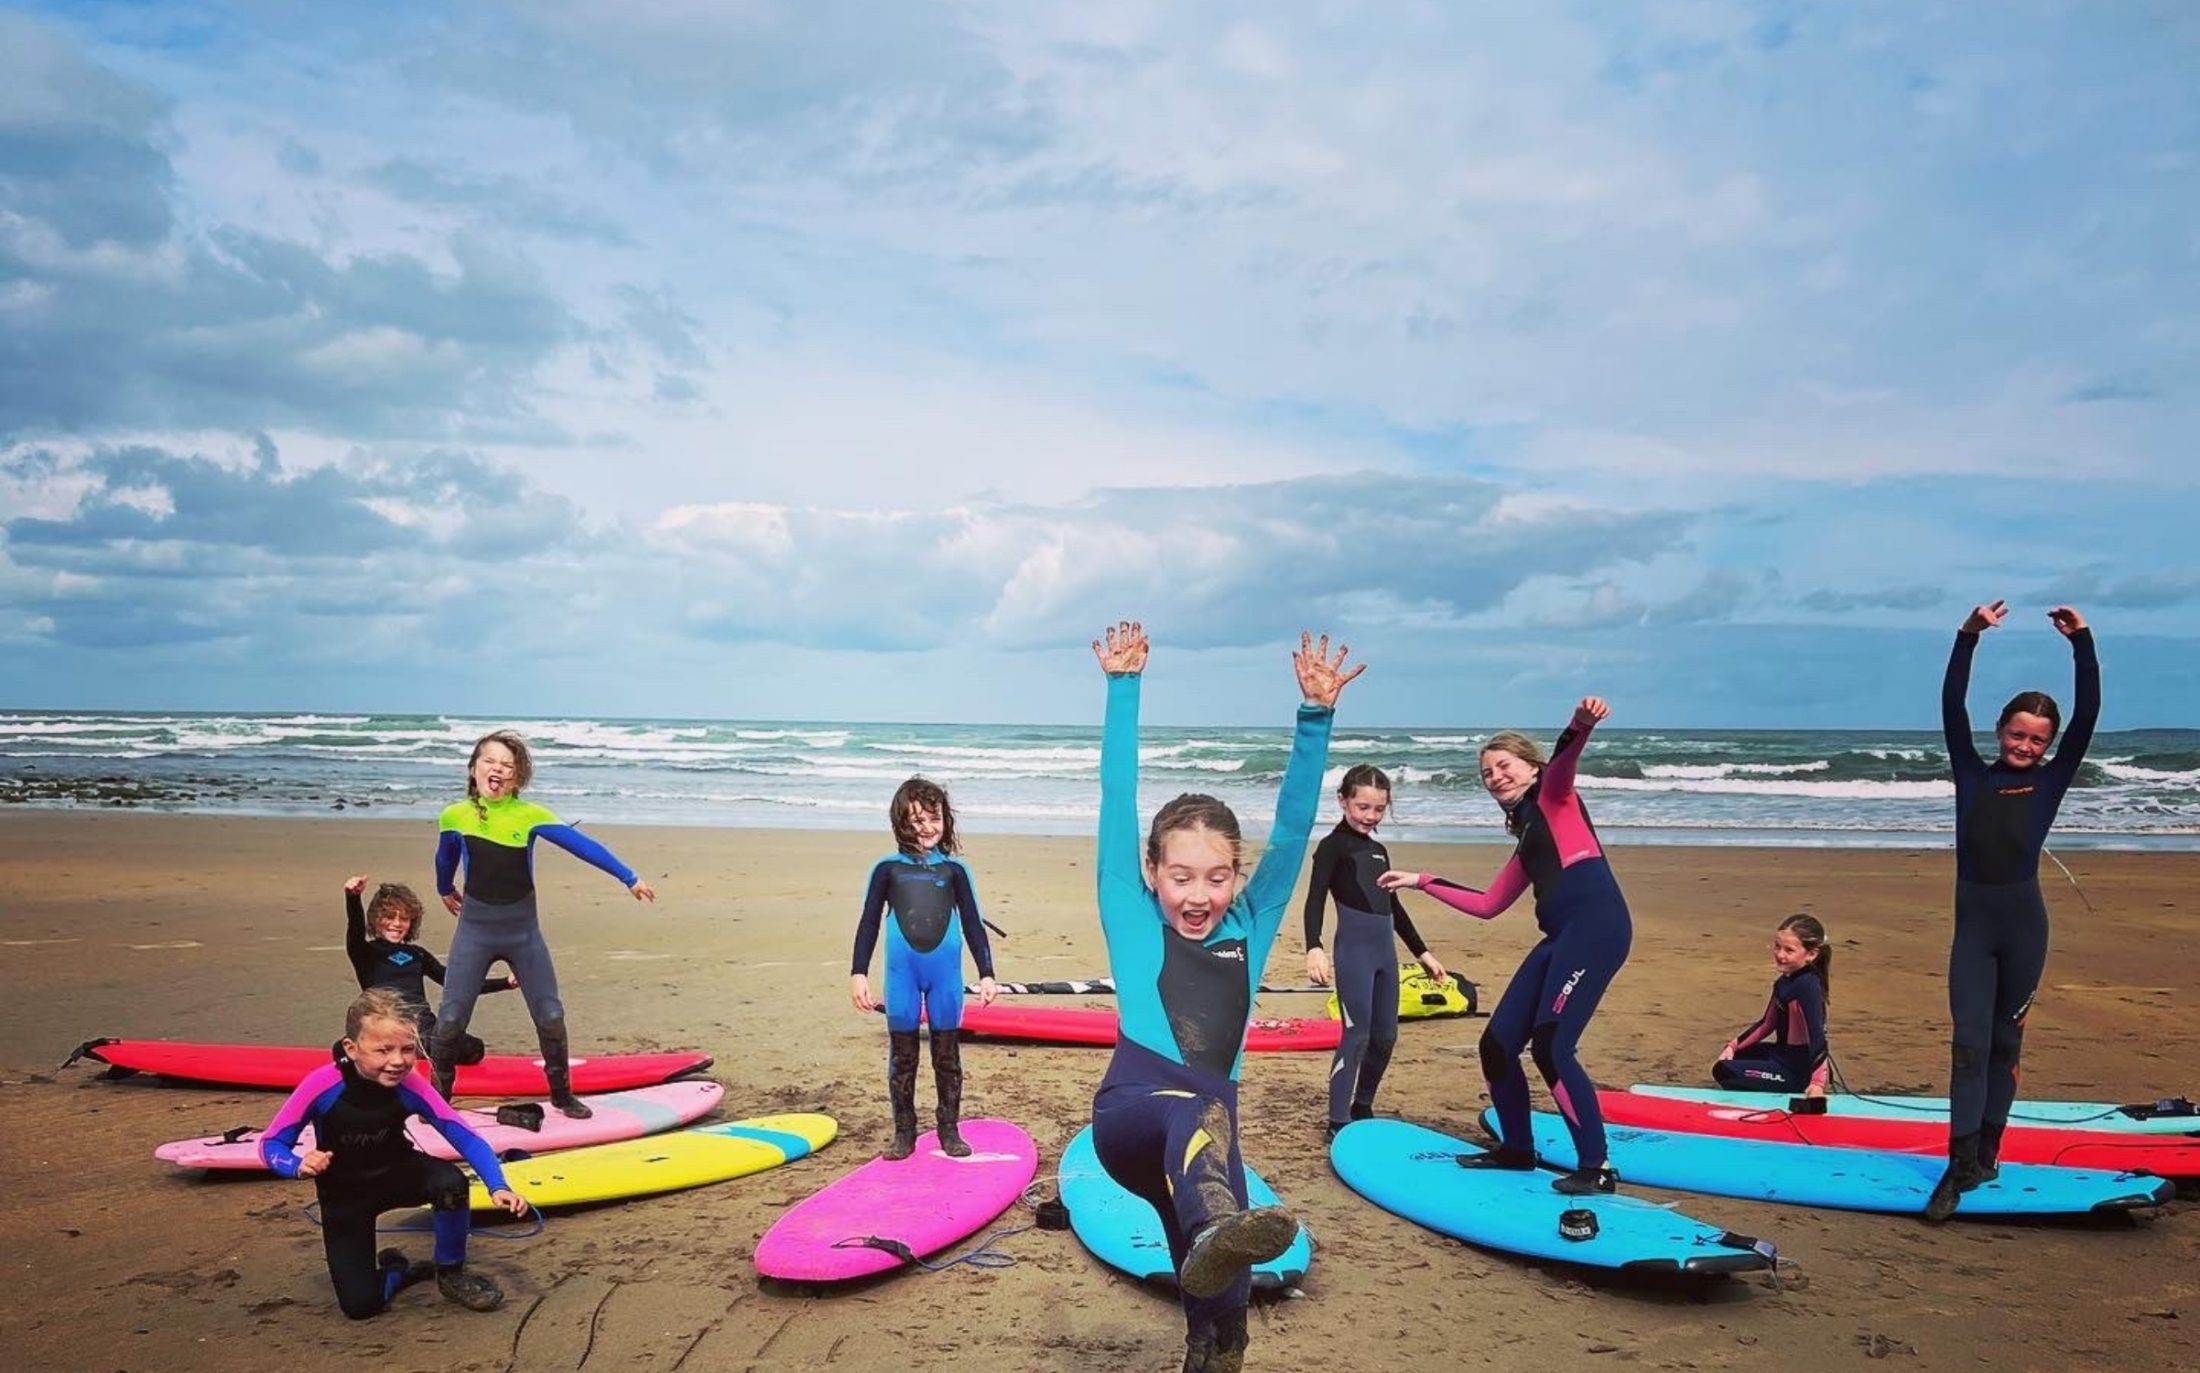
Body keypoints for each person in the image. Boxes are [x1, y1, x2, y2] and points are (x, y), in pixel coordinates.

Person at [1089, 621, 1362, 1373]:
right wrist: (1123, 686)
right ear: (1151, 870)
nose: (1200, 894)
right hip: (1135, 1115)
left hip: (1210, 1142)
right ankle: (1213, 1230)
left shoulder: (1255, 918)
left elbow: (1296, 823)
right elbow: (1117, 797)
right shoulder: (1127, 904)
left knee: (1222, 1299)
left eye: (1218, 875)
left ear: (1240, 875)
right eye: (1181, 876)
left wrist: (1316, 716)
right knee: (1200, 1138)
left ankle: (1211, 1348)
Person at [1379, 699, 1632, 1196]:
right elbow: (1490, 904)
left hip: (1596, 929)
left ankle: (1597, 1167)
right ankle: (1517, 1149)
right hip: (1562, 937)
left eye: (1504, 766)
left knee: (1553, 1046)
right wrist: (1421, 880)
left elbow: (1564, 763)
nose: (1494, 777)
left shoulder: (1556, 799)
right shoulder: (1530, 837)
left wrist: (1580, 724)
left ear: (1532, 767)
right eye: (1486, 772)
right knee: (1496, 1044)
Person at [1926, 601, 2098, 1222]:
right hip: (1974, 930)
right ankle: (1958, 1163)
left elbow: (2087, 717)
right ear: (2000, 730)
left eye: (2037, 739)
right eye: (2017, 733)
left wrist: (2082, 642)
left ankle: (1989, 1152)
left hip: (2024, 928)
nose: (2026, 745)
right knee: (1967, 1045)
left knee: (2005, 1043)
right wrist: (1967, 637)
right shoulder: (1971, 774)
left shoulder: (2052, 780)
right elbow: (1951, 705)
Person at [260, 987, 529, 1318]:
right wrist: (297, 1164)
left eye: (407, 1049)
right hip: (345, 1195)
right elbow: (271, 1143)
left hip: (398, 1174)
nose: (398, 1061)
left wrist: (497, 1185)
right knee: (361, 1308)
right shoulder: (323, 1085)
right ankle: (397, 1270)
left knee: (450, 1182)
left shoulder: (411, 1084)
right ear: (352, 1048)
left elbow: (464, 1136)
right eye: (383, 1050)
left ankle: (450, 1272)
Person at [429, 729, 656, 1118]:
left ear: (517, 778)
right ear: (473, 769)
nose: (497, 769)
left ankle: (562, 1095)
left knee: (550, 1016)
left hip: (523, 933)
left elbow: (580, 844)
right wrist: (444, 888)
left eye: (507, 766)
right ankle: (438, 1101)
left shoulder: (530, 815)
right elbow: (444, 857)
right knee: (449, 1020)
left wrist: (628, 877)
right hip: (475, 932)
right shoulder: (455, 816)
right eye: (490, 761)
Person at [849, 777, 1000, 1159]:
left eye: (934, 818)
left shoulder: (955, 871)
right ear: (900, 822)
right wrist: (858, 973)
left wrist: (986, 973)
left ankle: (949, 1128)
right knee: (903, 1058)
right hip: (902, 974)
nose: (927, 827)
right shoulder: (887, 870)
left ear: (945, 820)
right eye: (916, 820)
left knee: (946, 1057)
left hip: (945, 976)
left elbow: (972, 922)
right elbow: (868, 921)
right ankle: (905, 1132)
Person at [1302, 764, 1447, 1135]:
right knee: (1356, 1034)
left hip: (1386, 956)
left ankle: (1362, 1105)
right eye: (1362, 807)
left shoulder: (1379, 851)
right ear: (1343, 801)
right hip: (1354, 954)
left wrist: (1423, 953)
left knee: (1385, 1036)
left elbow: (1393, 907)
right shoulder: (1332, 847)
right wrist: (1314, 946)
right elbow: (1315, 898)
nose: (1370, 816)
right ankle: (1337, 1120)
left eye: (1378, 809)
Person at [342, 874, 516, 1065]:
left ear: (412, 922)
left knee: (474, 1049)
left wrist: (506, 983)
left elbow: (456, 983)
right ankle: (403, 1052)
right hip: (386, 1025)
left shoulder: (418, 955)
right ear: (375, 920)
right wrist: (353, 897)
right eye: (389, 917)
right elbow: (355, 929)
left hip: (425, 1030)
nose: (397, 924)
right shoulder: (365, 952)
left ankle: (416, 1053)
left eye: (404, 919)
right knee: (340, 1051)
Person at [1715, 914, 1831, 1096]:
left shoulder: (1807, 985)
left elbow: (1817, 1035)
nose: (1780, 955)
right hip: (1781, 1054)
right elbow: (1767, 1024)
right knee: (1733, 1056)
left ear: (1811, 954)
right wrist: (1733, 1046)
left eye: (1789, 950)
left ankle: (1797, 1084)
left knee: (1724, 1071)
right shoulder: (1784, 982)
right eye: (1777, 947)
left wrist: (1817, 1083)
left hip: (1796, 1070)